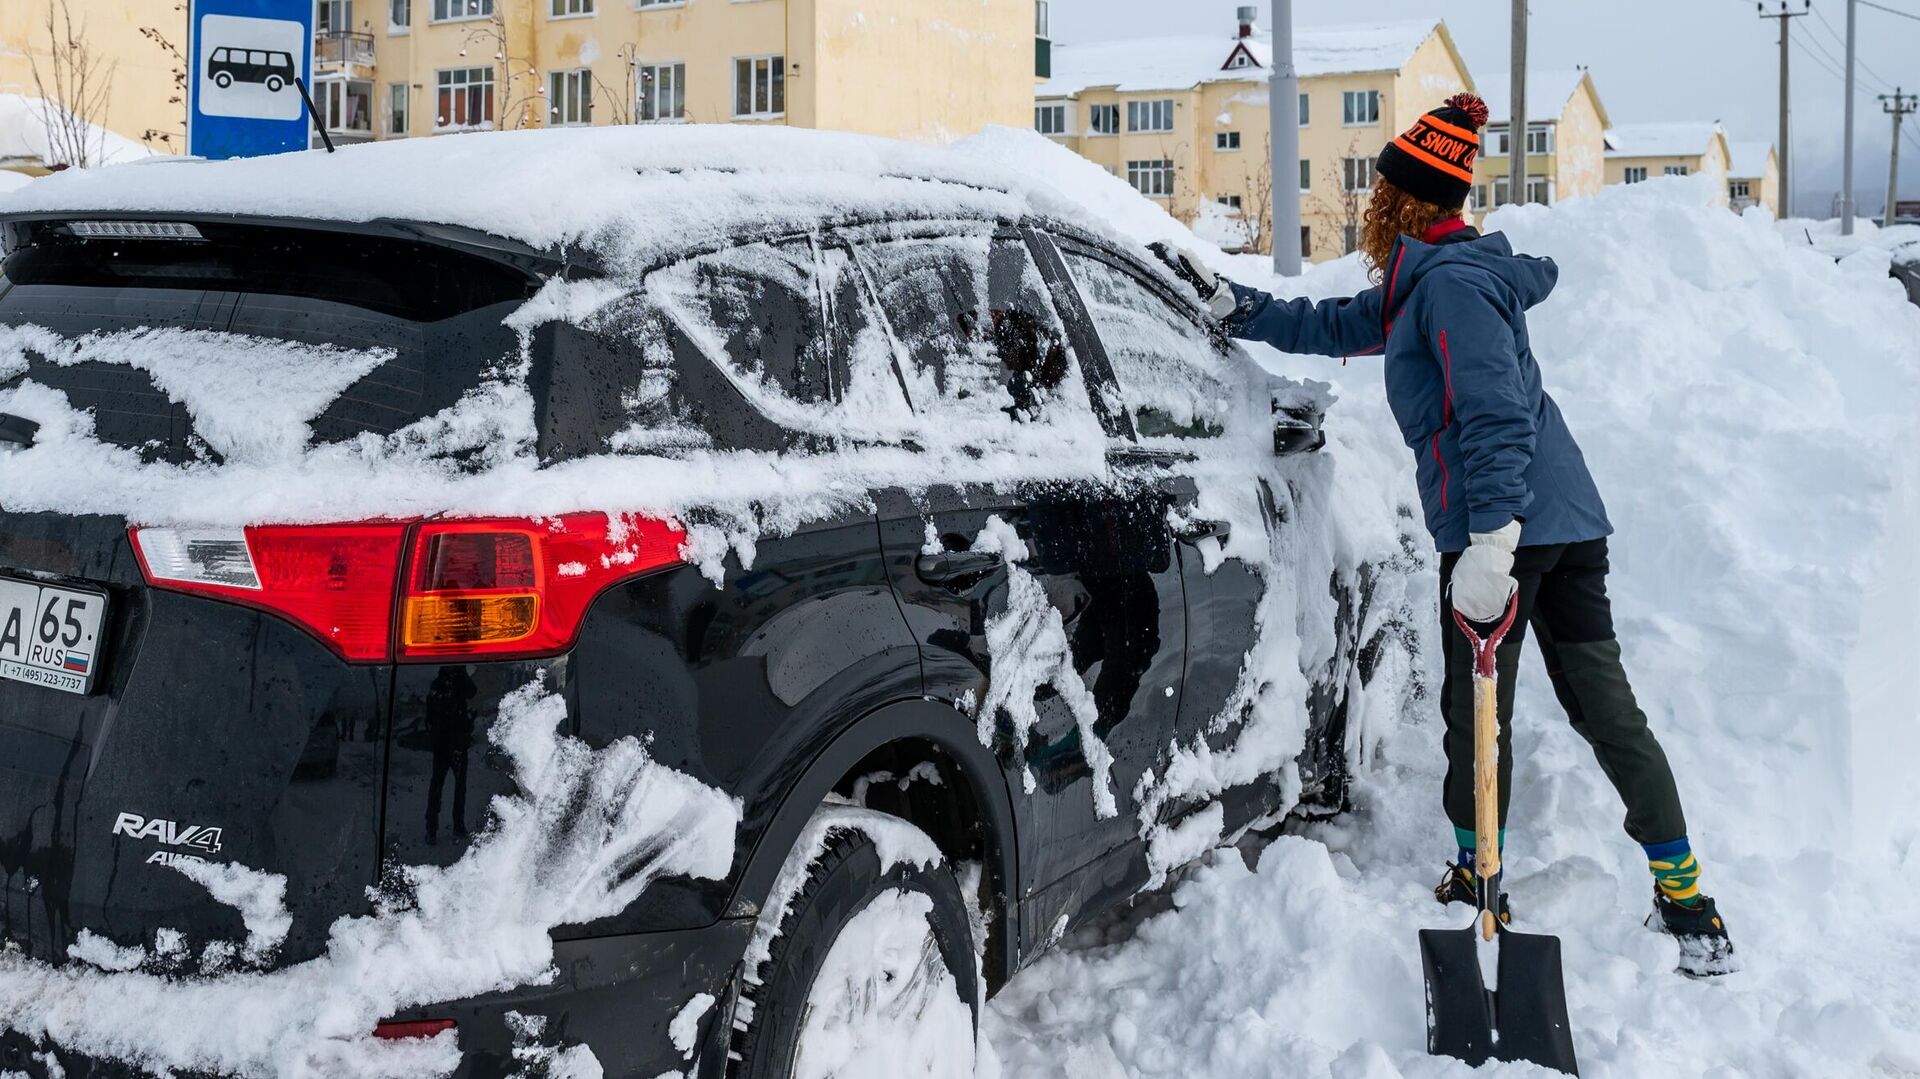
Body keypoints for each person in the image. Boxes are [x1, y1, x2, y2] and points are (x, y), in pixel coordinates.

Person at [1155, 92, 1735, 975]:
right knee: (1603, 711)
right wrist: (1231, 302)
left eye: (1380, 191)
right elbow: (1329, 324)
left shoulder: (1453, 286)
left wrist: (1492, 545)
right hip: (1565, 519)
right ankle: (1687, 901)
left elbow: (1497, 414)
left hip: (1507, 525)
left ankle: (1479, 873)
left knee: (1477, 711)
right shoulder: (1425, 283)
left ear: (1405, 200)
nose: (1370, 205)